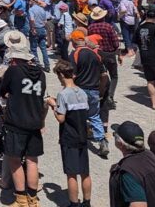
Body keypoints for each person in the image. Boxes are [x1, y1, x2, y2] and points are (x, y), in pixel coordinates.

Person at [0, 39, 46, 207]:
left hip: (16, 122)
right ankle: (33, 199)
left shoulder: (13, 71)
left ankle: (21, 199)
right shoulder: (41, 73)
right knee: (32, 160)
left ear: (14, 58)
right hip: (35, 121)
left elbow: (3, 91)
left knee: (15, 160)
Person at [45, 60, 91, 207]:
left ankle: (74, 203)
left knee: (71, 173)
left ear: (61, 75)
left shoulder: (63, 95)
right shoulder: (83, 92)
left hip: (69, 137)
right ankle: (87, 202)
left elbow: (61, 118)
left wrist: (53, 105)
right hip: (82, 136)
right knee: (85, 172)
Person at [108, 121, 155, 207]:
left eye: (114, 135)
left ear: (120, 143)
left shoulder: (128, 173)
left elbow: (139, 205)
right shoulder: (150, 156)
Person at [68, 30, 108, 157]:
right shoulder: (95, 54)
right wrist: (101, 90)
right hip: (94, 90)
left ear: (74, 41)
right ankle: (102, 140)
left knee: (77, 115)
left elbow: (72, 75)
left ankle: (79, 140)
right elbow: (104, 75)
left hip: (80, 89)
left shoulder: (75, 54)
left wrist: (68, 89)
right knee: (94, 116)